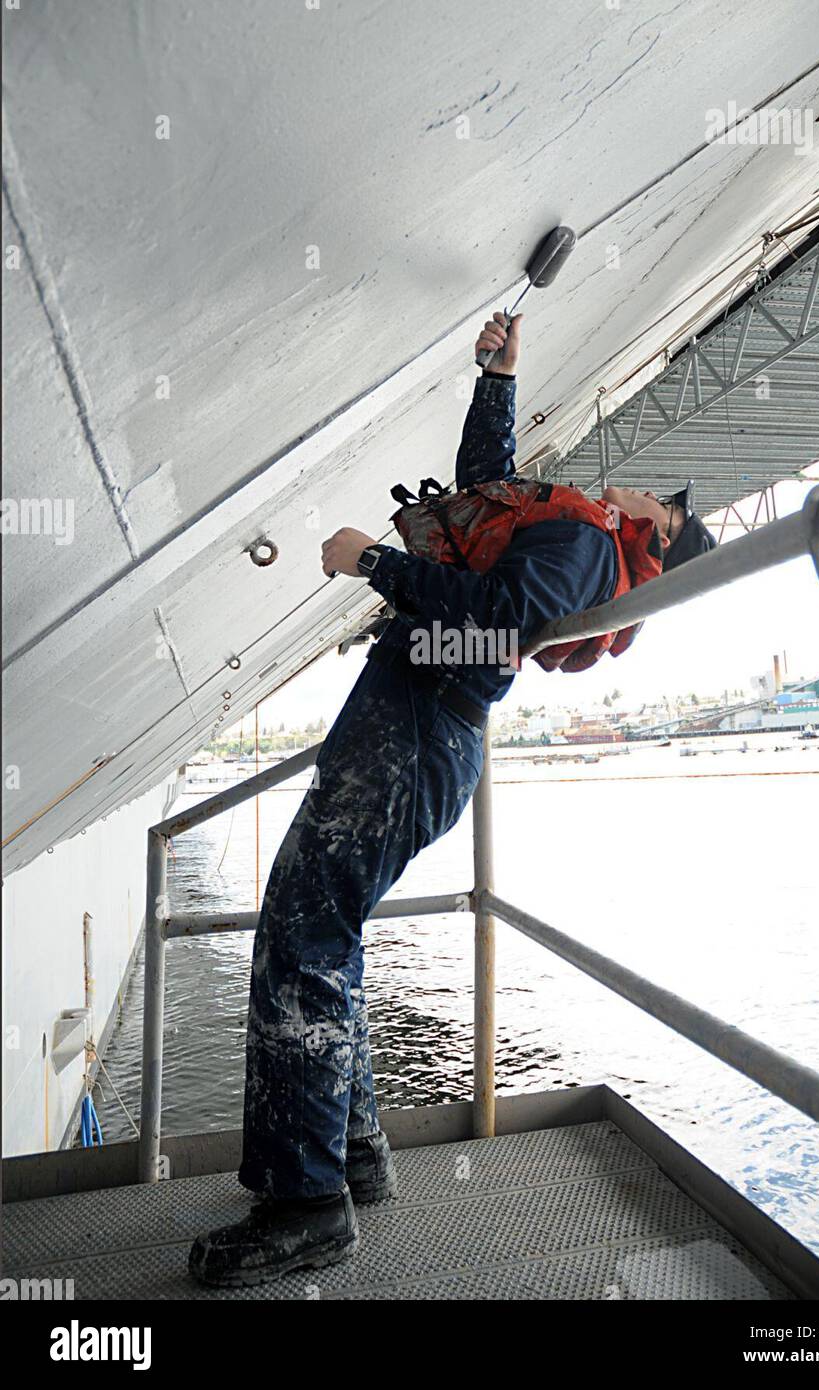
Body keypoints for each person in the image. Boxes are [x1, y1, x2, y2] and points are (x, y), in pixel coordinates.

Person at [189, 313, 717, 1287]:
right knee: (323, 929)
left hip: (419, 729)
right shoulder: (575, 534)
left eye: (661, 498)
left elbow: (491, 621)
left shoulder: (592, 551)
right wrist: (498, 379)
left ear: (662, 529)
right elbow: (486, 494)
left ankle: (306, 1205)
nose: (642, 483)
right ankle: (350, 1157)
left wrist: (371, 563)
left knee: (301, 932)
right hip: (413, 724)